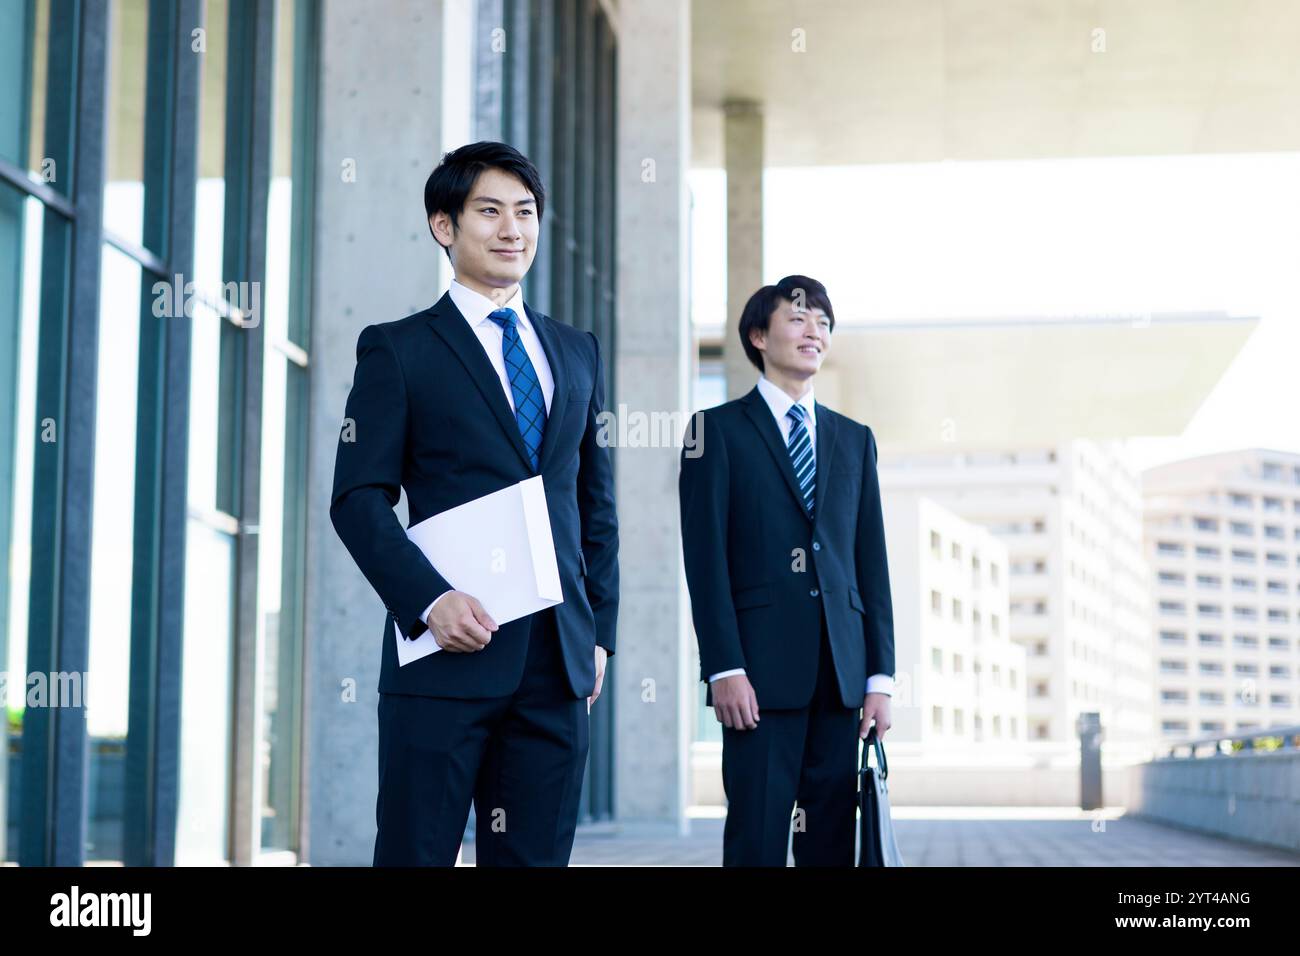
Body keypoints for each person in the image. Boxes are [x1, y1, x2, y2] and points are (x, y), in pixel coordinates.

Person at [330, 141, 619, 866]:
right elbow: (357, 500)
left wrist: (601, 633)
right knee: (415, 854)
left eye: (525, 212)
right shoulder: (397, 350)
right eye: (489, 211)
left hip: (556, 662)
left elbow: (596, 507)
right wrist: (429, 599)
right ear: (444, 226)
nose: (511, 229)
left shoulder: (576, 350)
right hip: (447, 658)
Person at [679, 275, 895, 866]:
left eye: (823, 323)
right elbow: (705, 563)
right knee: (756, 840)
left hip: (839, 677)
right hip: (757, 680)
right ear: (758, 335)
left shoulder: (856, 441)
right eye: (799, 319)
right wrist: (724, 667)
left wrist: (880, 680)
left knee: (829, 843)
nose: (814, 331)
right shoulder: (713, 433)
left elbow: (870, 566)